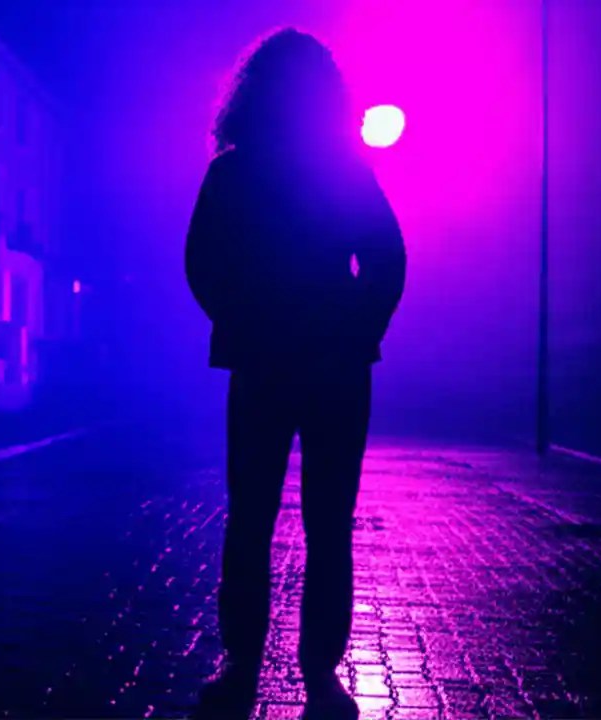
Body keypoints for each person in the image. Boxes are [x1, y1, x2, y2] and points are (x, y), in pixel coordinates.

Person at [185, 27, 406, 720]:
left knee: (250, 517)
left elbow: (201, 263)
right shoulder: (344, 169)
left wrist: (241, 319)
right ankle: (320, 676)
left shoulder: (233, 170)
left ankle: (241, 667)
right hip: (337, 366)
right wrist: (358, 329)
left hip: (261, 362)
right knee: (328, 522)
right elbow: (388, 260)